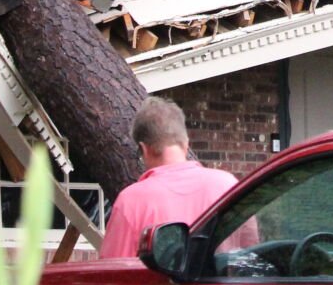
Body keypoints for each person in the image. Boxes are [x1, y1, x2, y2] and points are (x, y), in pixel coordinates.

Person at [98, 96, 239, 260]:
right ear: (186, 144)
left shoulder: (131, 201)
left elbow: (113, 272)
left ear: (144, 149)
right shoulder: (228, 185)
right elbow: (251, 253)